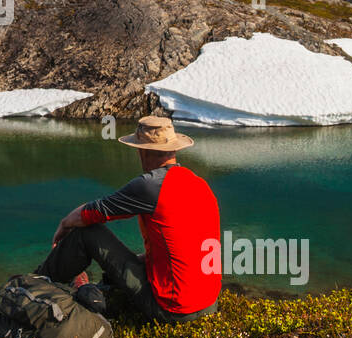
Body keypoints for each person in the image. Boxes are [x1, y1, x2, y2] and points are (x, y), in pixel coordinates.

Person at [36, 115, 220, 322]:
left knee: (88, 233)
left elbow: (92, 213)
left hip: (173, 310)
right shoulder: (200, 185)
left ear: (142, 151)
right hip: (209, 304)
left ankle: (35, 287)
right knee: (130, 259)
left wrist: (64, 224)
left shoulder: (149, 185)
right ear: (174, 149)